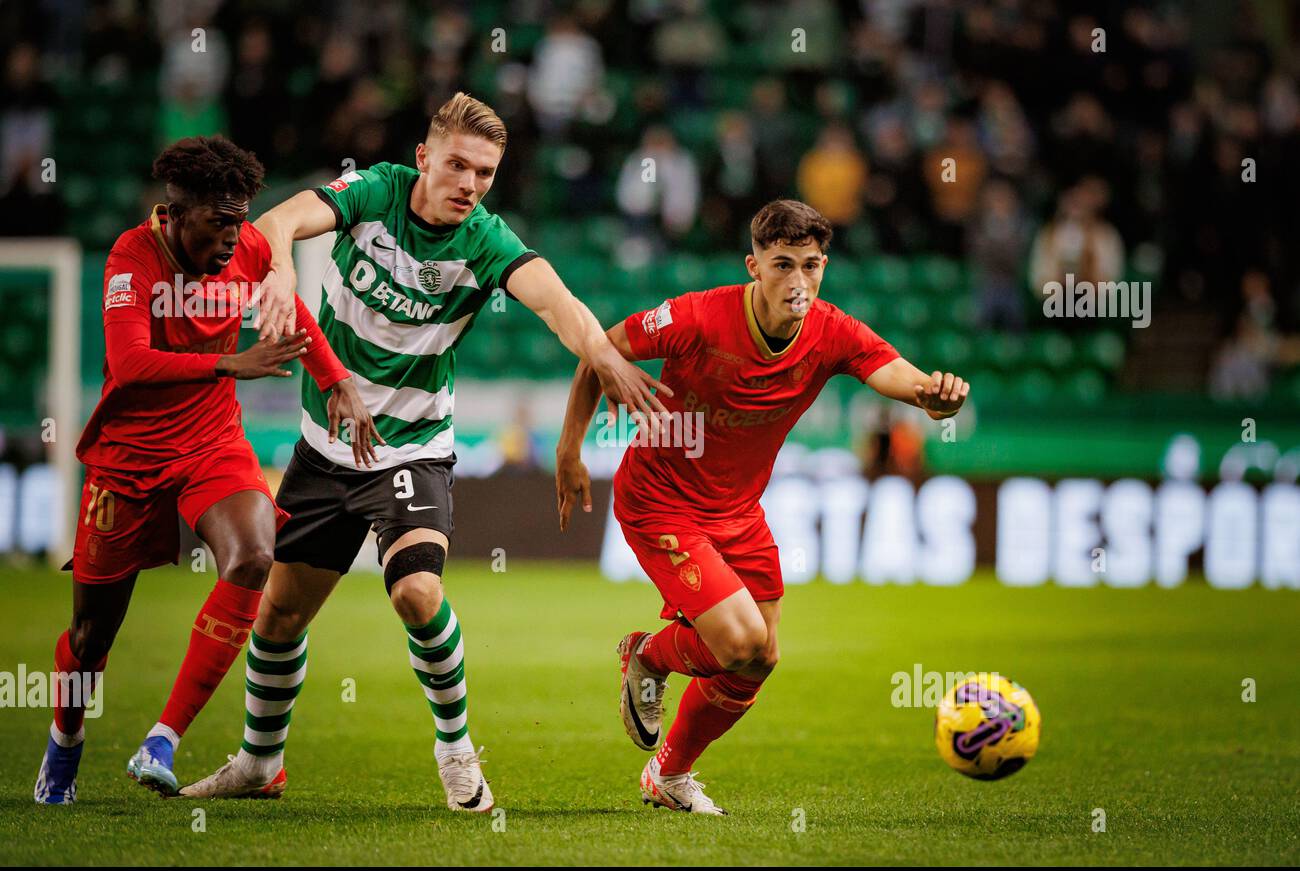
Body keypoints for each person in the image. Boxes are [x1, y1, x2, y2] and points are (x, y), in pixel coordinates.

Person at [180, 92, 666, 813]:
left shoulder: (486, 241)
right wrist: (279, 268)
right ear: (423, 160)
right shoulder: (374, 193)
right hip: (323, 446)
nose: (470, 185)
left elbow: (560, 305)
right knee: (278, 618)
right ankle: (259, 761)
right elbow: (279, 220)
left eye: (486, 173)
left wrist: (605, 356)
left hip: (411, 450)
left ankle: (456, 748)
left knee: (415, 591)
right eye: (459, 166)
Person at [555, 199, 969, 813]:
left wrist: (933, 399)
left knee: (758, 659)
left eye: (810, 265)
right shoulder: (696, 317)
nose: (798, 282)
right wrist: (570, 451)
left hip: (738, 512)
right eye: (782, 265)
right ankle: (646, 655)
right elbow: (601, 352)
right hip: (661, 500)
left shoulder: (833, 331)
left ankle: (668, 776)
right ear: (754, 266)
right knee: (740, 639)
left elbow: (891, 371)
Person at [35, 135, 375, 803]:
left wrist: (336, 379)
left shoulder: (243, 246)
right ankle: (65, 742)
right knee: (90, 633)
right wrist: (230, 363)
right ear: (176, 211)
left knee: (253, 556)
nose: (234, 235)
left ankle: (162, 738)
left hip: (211, 442)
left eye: (241, 218)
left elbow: (292, 313)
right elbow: (130, 365)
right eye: (219, 220)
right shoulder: (132, 258)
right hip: (128, 459)